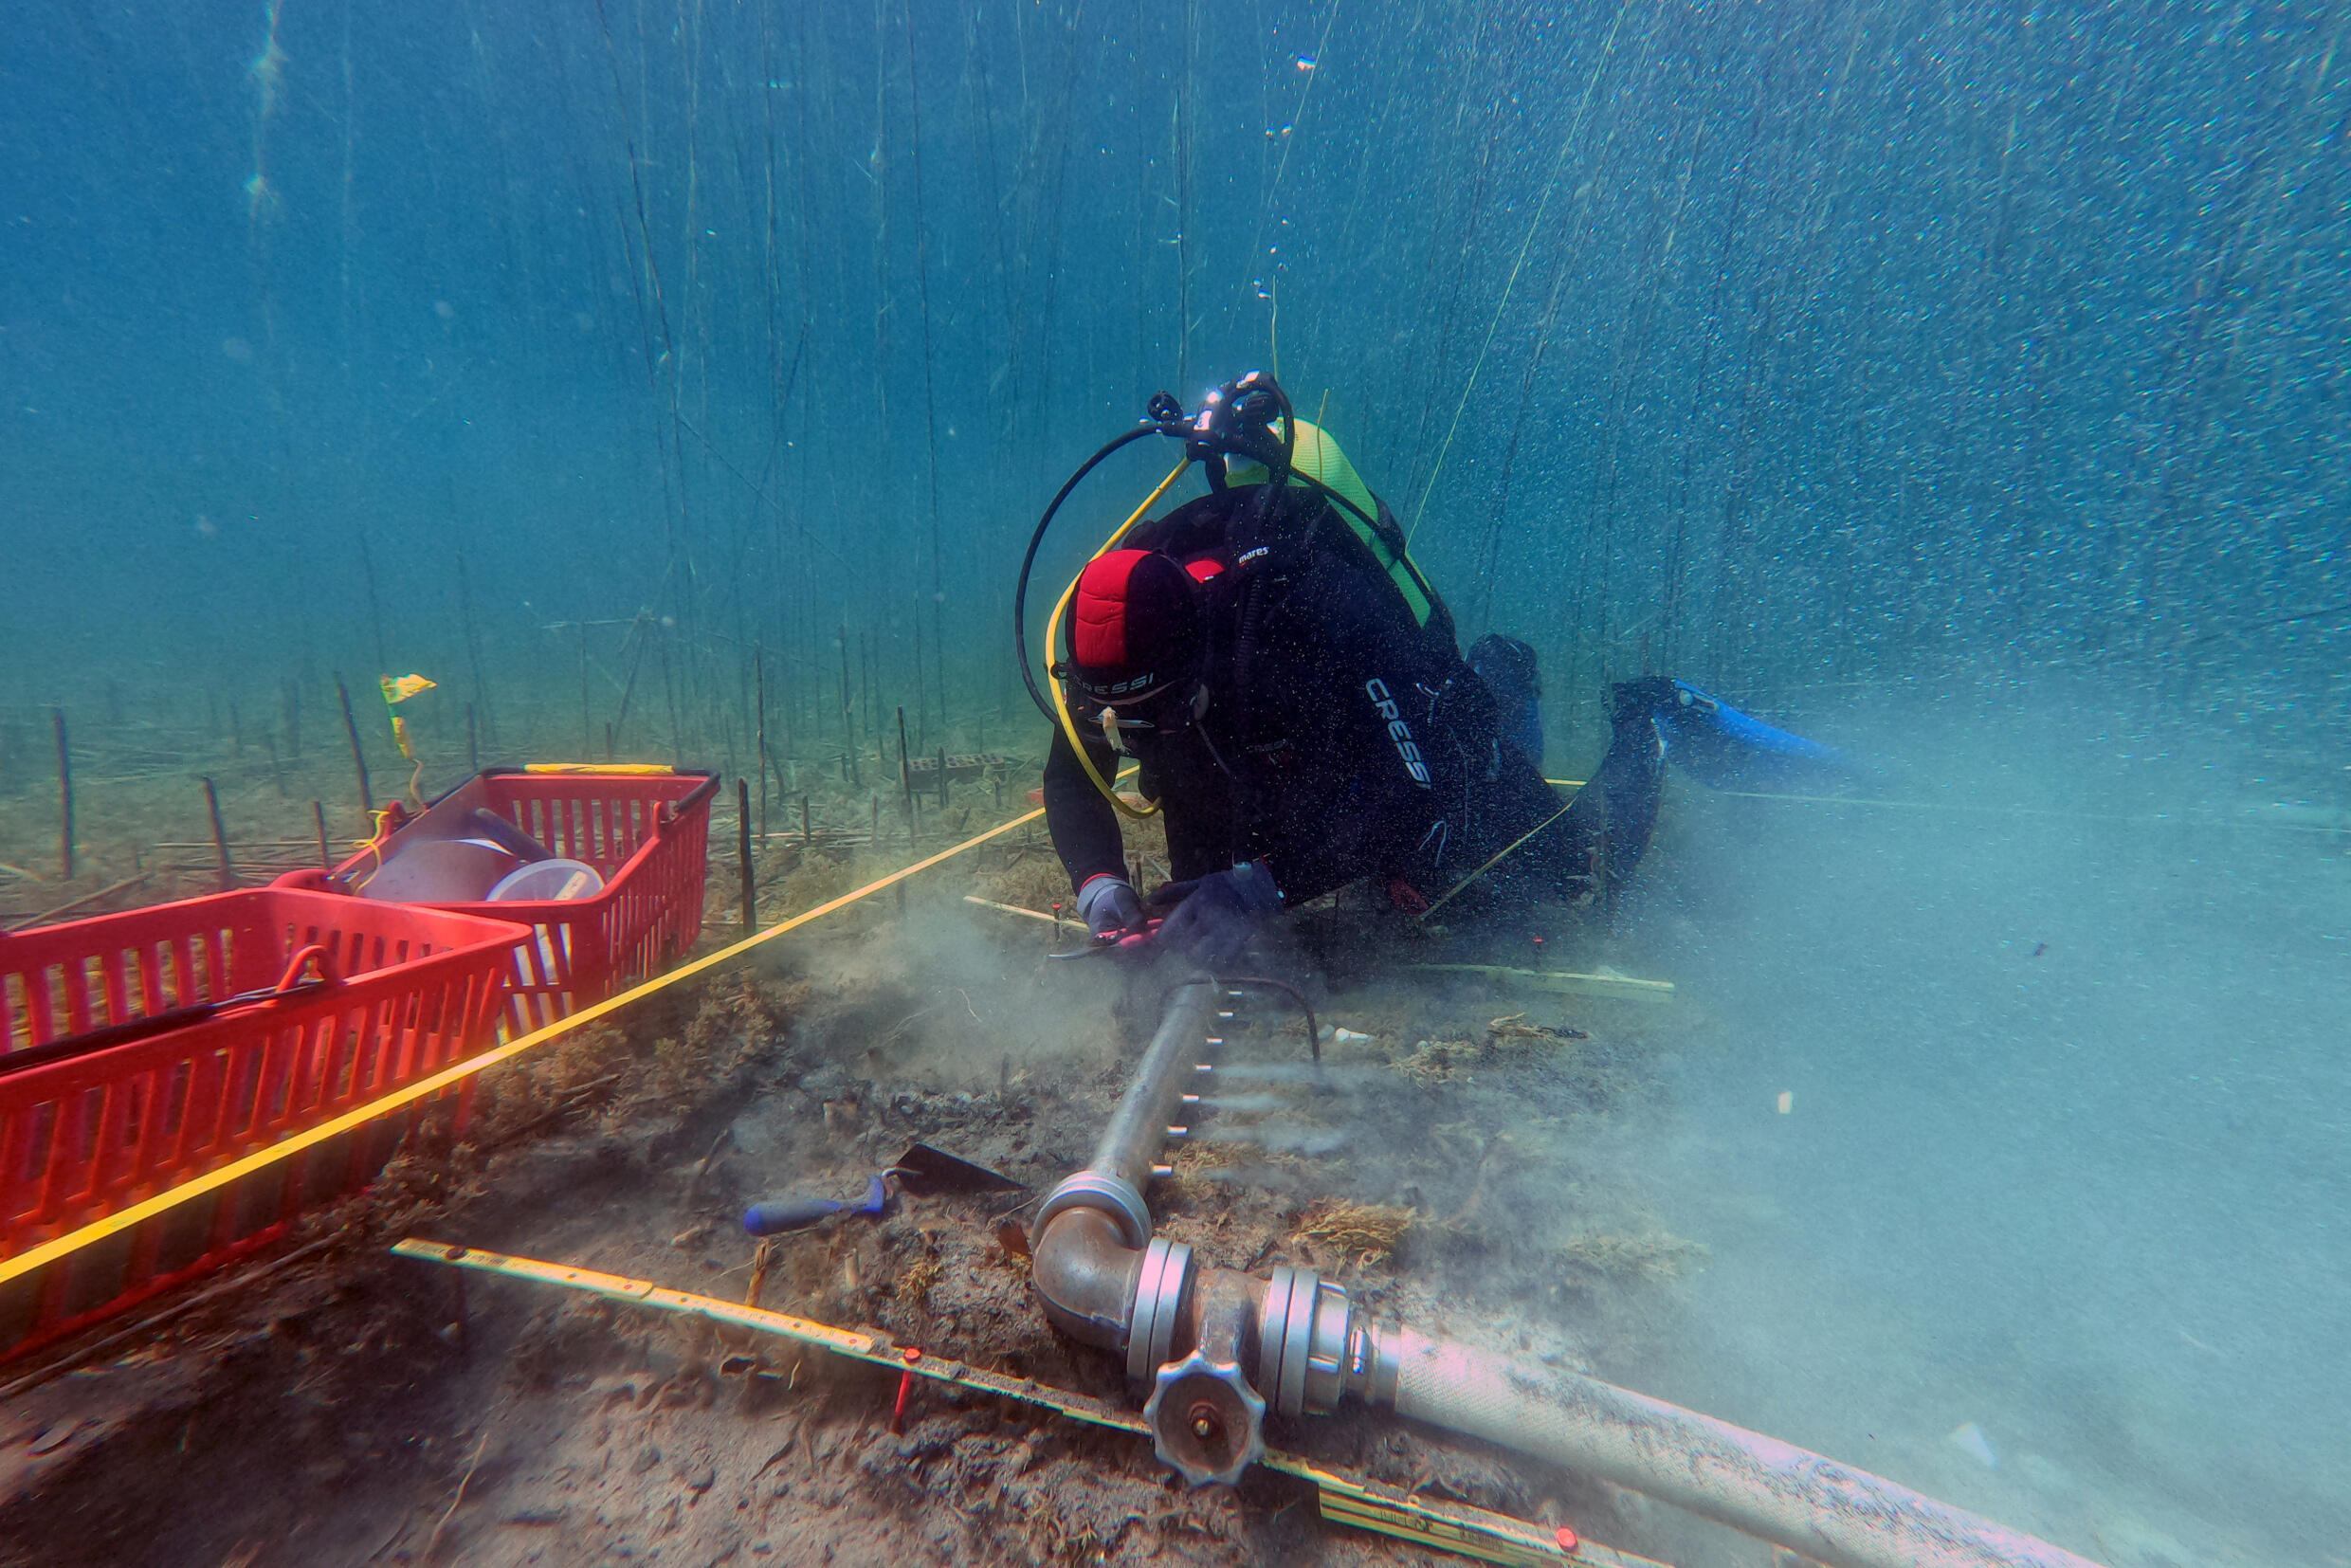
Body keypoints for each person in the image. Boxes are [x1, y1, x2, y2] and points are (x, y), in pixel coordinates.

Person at [1035, 372, 1844, 965]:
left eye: (1158, 711)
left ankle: (1652, 717)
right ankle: (1504, 670)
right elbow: (1073, 773)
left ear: (1202, 650)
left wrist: (1264, 884)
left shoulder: (1310, 606)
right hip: (1278, 751)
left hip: (1411, 735)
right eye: (1121, 717)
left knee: (1573, 882)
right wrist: (1100, 884)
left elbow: (1410, 788)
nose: (1136, 735)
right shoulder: (1113, 645)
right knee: (1202, 906)